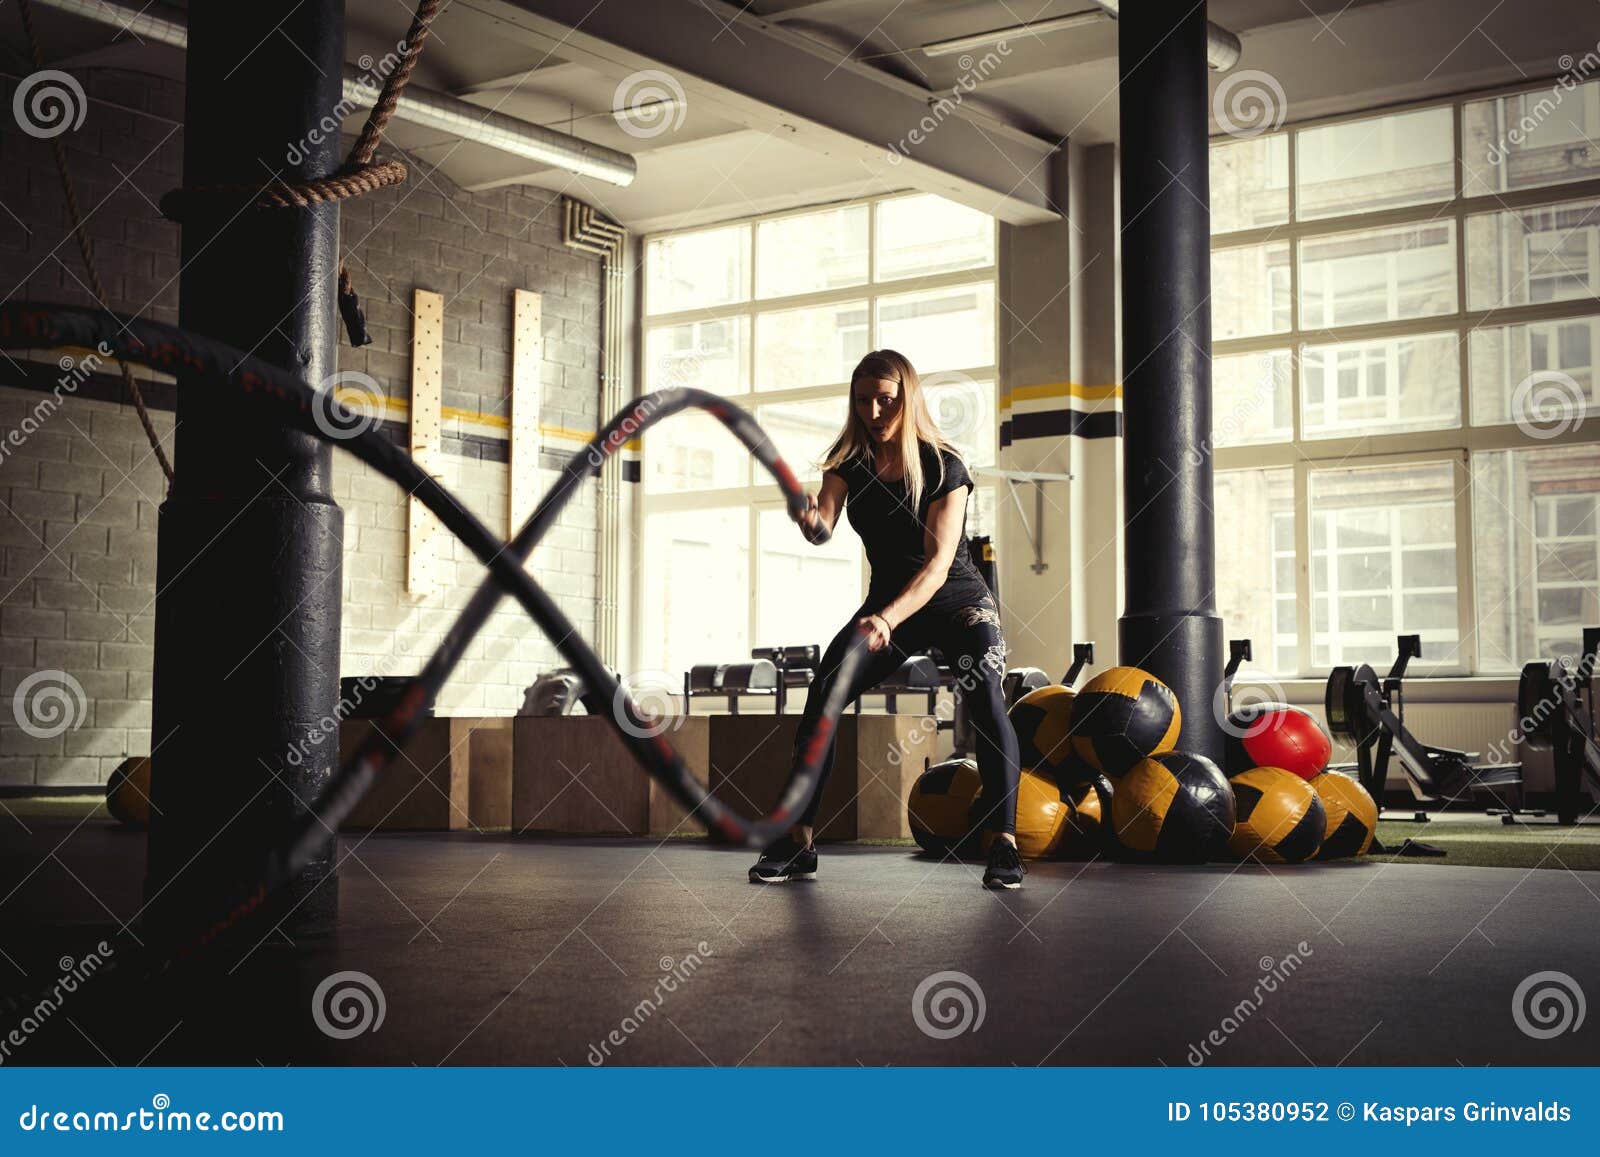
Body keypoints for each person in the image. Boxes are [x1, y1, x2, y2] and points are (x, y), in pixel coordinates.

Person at [749, 350, 1025, 890]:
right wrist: (808, 518)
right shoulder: (847, 462)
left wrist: (888, 620)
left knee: (987, 700)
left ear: (908, 397)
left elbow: (938, 564)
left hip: (954, 602)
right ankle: (798, 840)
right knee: (825, 693)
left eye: (886, 400)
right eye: (863, 400)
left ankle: (1005, 843)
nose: (873, 410)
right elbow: (823, 526)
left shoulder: (945, 464)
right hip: (887, 605)